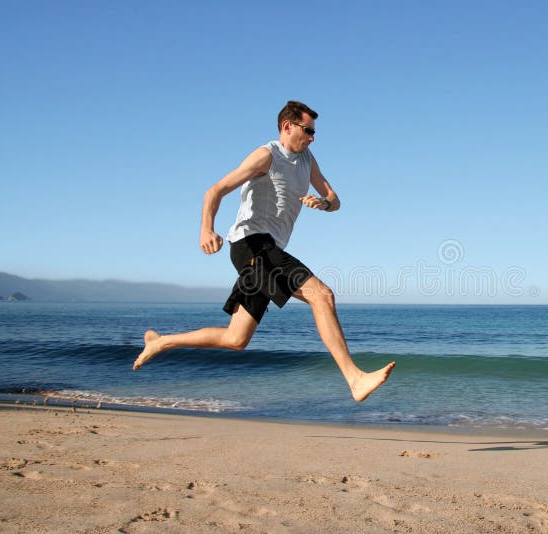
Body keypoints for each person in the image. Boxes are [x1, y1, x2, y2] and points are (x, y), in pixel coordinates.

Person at [133, 100, 395, 402]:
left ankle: (160, 342)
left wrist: (323, 203)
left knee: (236, 338)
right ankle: (354, 378)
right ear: (287, 126)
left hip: (264, 249)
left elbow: (334, 199)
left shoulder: (308, 160)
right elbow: (214, 190)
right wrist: (206, 229)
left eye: (314, 132)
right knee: (321, 295)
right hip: (251, 243)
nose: (312, 137)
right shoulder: (265, 156)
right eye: (308, 130)